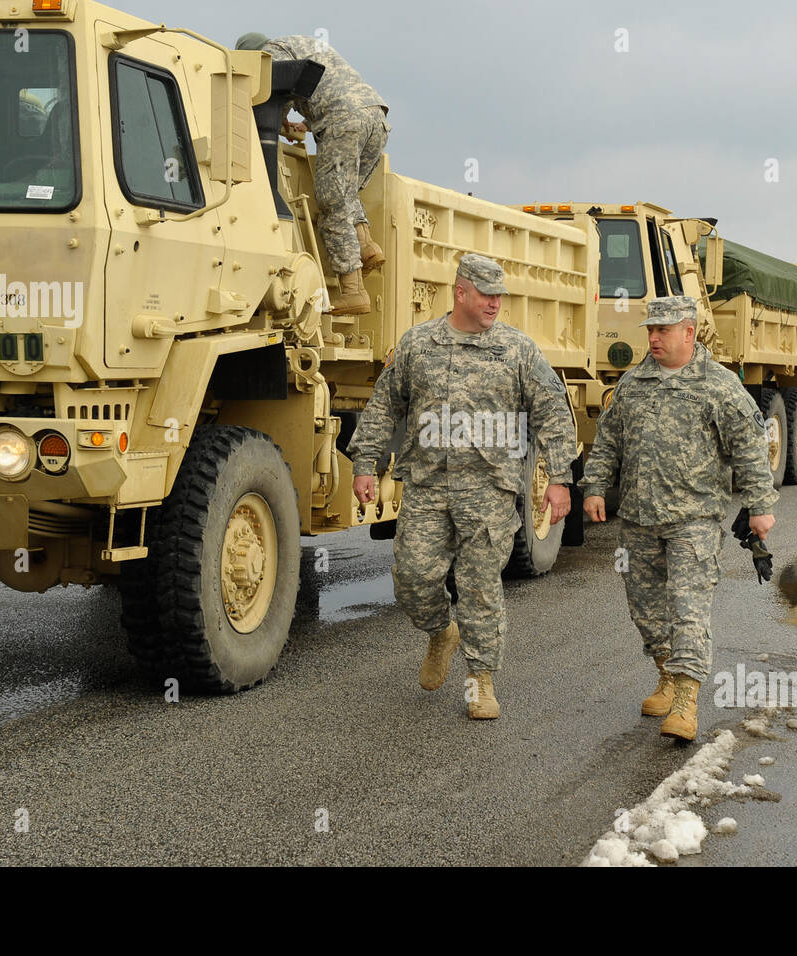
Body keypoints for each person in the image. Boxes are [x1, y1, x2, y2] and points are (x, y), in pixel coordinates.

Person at [346, 254, 576, 719]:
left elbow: (553, 411)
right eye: (486, 294)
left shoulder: (517, 350)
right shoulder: (418, 345)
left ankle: (481, 681)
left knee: (480, 588)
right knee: (412, 579)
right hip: (428, 486)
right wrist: (364, 463)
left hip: (490, 489)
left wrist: (559, 477)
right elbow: (385, 406)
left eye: (499, 296)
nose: (495, 303)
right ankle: (440, 632)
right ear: (461, 293)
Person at [581, 296, 777, 742]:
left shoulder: (719, 386)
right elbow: (609, 438)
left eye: (663, 330)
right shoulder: (634, 383)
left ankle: (687, 701)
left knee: (688, 610)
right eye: (650, 329)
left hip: (695, 520)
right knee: (646, 610)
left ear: (688, 332)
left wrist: (760, 505)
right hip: (638, 519)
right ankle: (666, 676)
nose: (653, 337)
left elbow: (749, 447)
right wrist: (594, 486)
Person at [237, 32, 390, 316]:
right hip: (374, 117)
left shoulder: (272, 53)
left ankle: (353, 291)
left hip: (342, 121)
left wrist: (275, 121)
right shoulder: (298, 44)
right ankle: (366, 245)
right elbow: (322, 89)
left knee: (333, 203)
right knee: (345, 193)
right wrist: (296, 123)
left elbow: (267, 96)